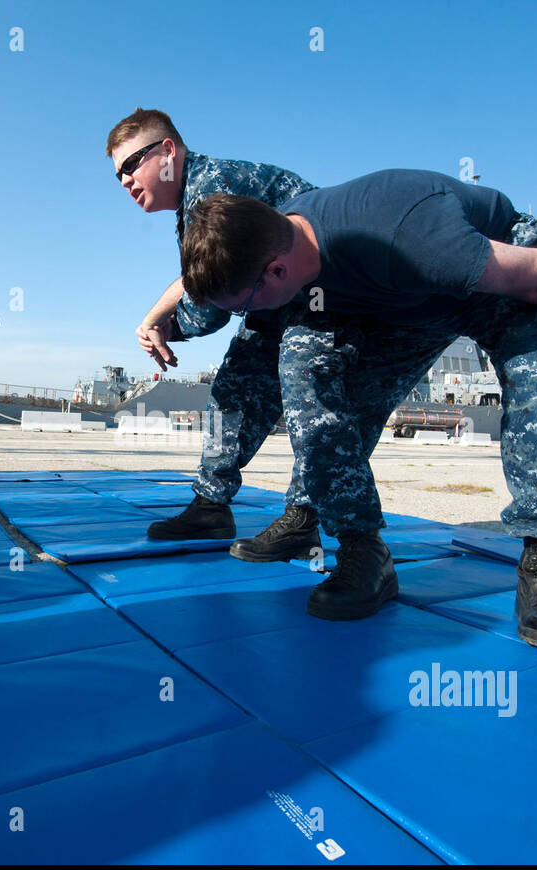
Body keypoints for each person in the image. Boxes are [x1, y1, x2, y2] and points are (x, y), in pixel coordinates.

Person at [180, 170, 537, 650]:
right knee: (305, 371)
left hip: (495, 282)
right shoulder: (278, 245)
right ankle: (362, 551)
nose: (248, 317)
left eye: (246, 306)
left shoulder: (406, 234)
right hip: (403, 304)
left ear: (278, 272)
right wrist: (162, 316)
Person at [108, 108, 385, 562]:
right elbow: (195, 280)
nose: (123, 180)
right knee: (236, 389)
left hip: (325, 292)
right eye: (117, 173)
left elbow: (213, 298)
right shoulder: (196, 195)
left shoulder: (212, 188)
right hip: (280, 295)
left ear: (167, 152)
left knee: (309, 390)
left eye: (129, 165)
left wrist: (173, 326)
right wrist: (156, 318)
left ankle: (304, 517)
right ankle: (211, 505)